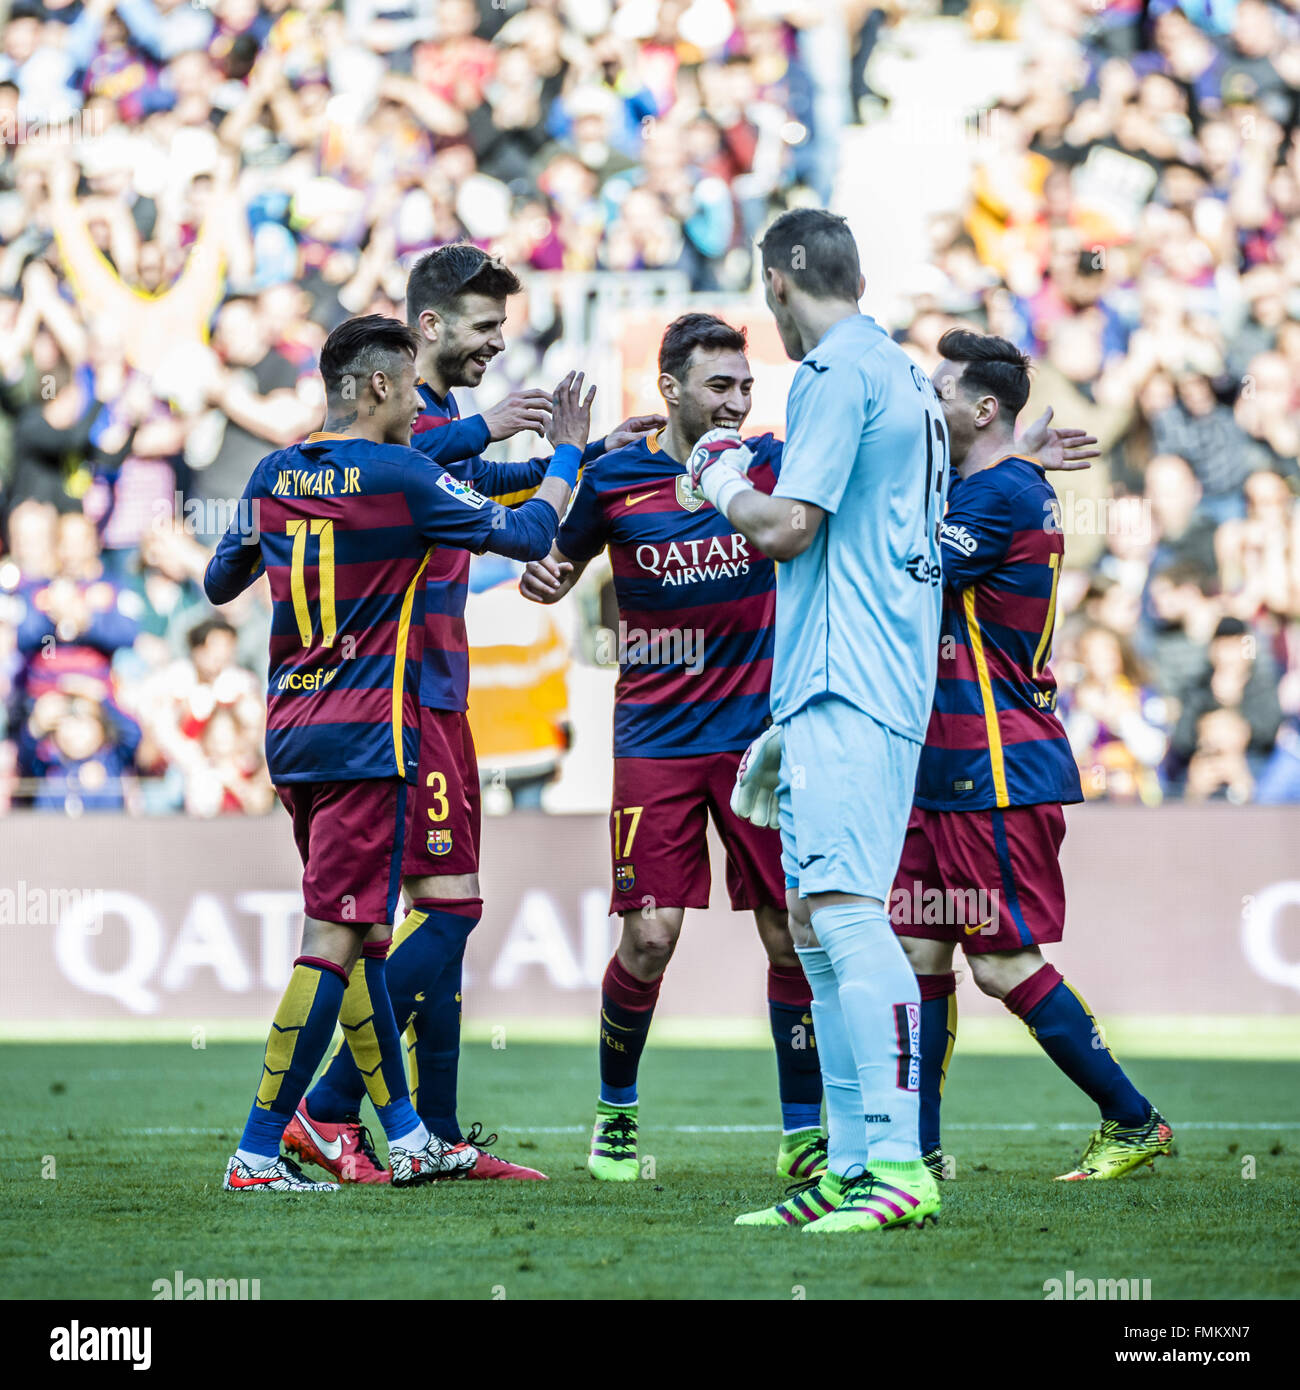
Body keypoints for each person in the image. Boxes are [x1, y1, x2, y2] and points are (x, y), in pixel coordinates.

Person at [285, 245, 645, 1181]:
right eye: (484, 329)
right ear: (430, 329)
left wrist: (594, 455)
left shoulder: (430, 424)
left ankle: (432, 1132)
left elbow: (481, 491)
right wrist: (499, 432)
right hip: (395, 700)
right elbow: (400, 464)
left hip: (437, 687)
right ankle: (322, 1108)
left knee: (434, 912)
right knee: (447, 911)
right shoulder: (399, 415)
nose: (495, 346)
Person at [203, 313, 582, 1192]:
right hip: (370, 733)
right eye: (411, 387)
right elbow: (527, 537)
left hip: (291, 731)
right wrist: (566, 455)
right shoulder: (404, 474)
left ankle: (407, 1133)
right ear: (376, 386)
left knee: (371, 933)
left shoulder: (273, 471)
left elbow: (222, 578)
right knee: (333, 939)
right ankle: (259, 1150)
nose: (421, 404)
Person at [520, 313, 825, 1185]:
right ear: (670, 390)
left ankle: (802, 1130)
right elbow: (552, 566)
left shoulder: (769, 465)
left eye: (744, 386)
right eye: (717, 386)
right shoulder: (617, 478)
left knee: (790, 934)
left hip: (759, 740)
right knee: (650, 937)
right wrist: (546, 575)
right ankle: (615, 1113)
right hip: (653, 740)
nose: (735, 402)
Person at [702, 208, 949, 1233]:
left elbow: (788, 527)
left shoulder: (835, 374)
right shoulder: (901, 374)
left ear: (778, 281)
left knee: (845, 913)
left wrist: (715, 470)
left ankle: (899, 1164)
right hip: (842, 675)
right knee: (813, 926)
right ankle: (849, 1166)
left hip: (855, 673)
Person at [891, 329, 1174, 1182]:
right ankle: (919, 1148)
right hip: (942, 762)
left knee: (999, 960)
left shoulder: (1002, 491)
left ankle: (1134, 1120)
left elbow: (910, 571)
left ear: (983, 409)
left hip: (992, 762)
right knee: (919, 952)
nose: (925, 401)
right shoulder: (1000, 483)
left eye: (938, 390)